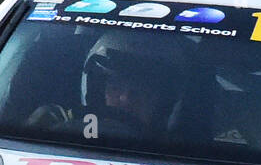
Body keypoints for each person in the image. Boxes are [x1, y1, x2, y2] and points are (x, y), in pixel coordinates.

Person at [25, 29, 187, 142]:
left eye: (141, 91)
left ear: (165, 101)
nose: (125, 98)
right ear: (96, 89)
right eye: (115, 87)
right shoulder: (61, 132)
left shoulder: (186, 151)